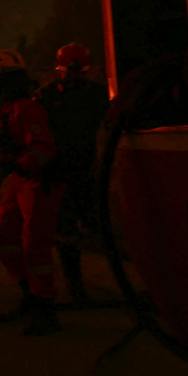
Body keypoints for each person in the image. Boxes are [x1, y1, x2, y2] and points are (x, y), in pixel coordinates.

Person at [0, 49, 64, 336]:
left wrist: (19, 164)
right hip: (20, 180)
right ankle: (29, 293)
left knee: (34, 246)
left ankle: (45, 309)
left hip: (40, 182)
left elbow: (44, 149)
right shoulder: (7, 109)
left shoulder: (27, 109)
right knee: (3, 236)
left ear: (3, 80)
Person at [36, 43, 110, 303]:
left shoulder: (96, 94)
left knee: (91, 225)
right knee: (66, 230)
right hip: (61, 171)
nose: (75, 76)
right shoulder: (48, 95)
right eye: (72, 71)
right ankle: (76, 285)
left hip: (85, 170)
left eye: (79, 72)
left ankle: (88, 276)